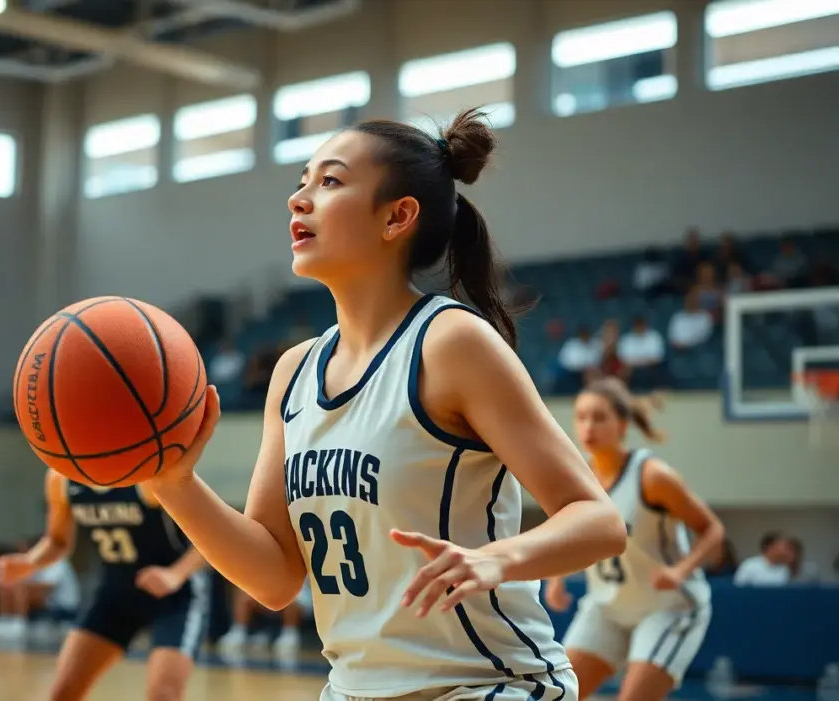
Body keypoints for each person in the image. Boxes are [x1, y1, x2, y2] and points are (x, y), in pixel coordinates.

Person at [141, 107, 628, 701]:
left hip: (487, 685)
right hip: (352, 689)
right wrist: (174, 485)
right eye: (302, 180)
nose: (299, 198)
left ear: (397, 217)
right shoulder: (292, 372)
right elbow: (274, 577)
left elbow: (600, 521)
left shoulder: (451, 343)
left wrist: (498, 559)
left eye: (331, 181)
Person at [544, 378, 724, 700]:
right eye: (581, 417)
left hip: (668, 606)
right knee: (557, 695)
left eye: (599, 417)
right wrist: (555, 578)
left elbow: (713, 530)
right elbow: (565, 534)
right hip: (607, 607)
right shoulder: (576, 478)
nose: (588, 426)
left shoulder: (653, 476)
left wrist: (680, 571)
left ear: (623, 424)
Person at [0, 471, 209, 701]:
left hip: (176, 599)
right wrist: (30, 561)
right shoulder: (61, 478)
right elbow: (57, 541)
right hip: (114, 596)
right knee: (62, 693)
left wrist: (175, 575)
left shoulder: (147, 474)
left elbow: (208, 536)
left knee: (164, 695)